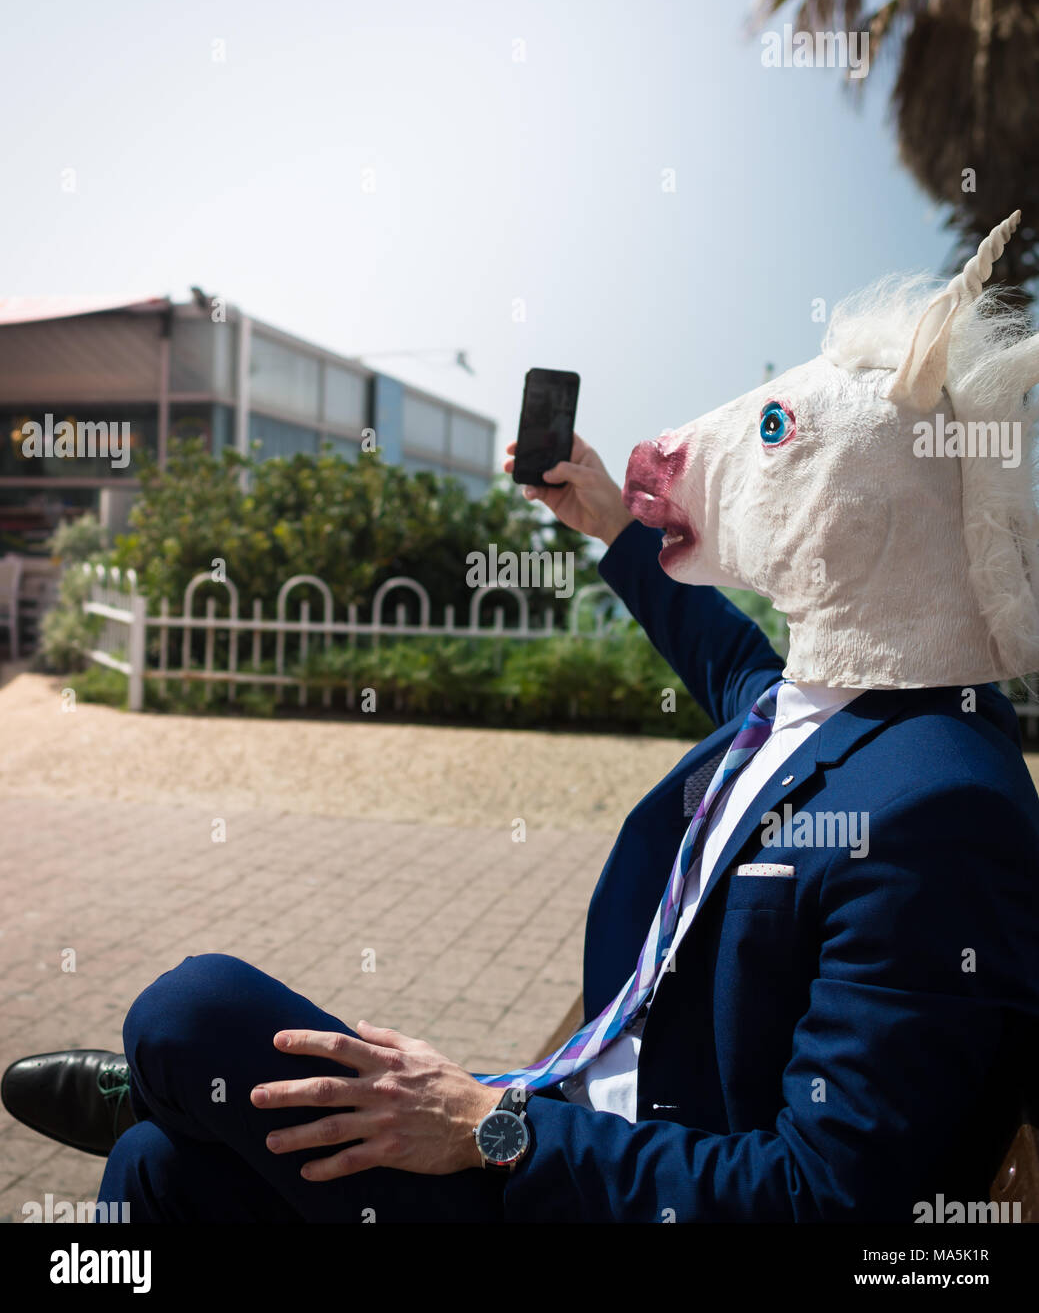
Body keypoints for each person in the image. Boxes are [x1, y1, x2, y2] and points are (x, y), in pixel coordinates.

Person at [5, 423, 1039, 1223]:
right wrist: (601, 514)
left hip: (593, 1180)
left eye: (791, 463)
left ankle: (169, 1088)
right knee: (156, 1168)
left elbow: (826, 1198)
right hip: (569, 1120)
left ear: (880, 529)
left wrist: (489, 1129)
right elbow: (728, 659)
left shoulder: (939, 804)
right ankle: (169, 1106)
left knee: (192, 1012)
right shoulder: (837, 703)